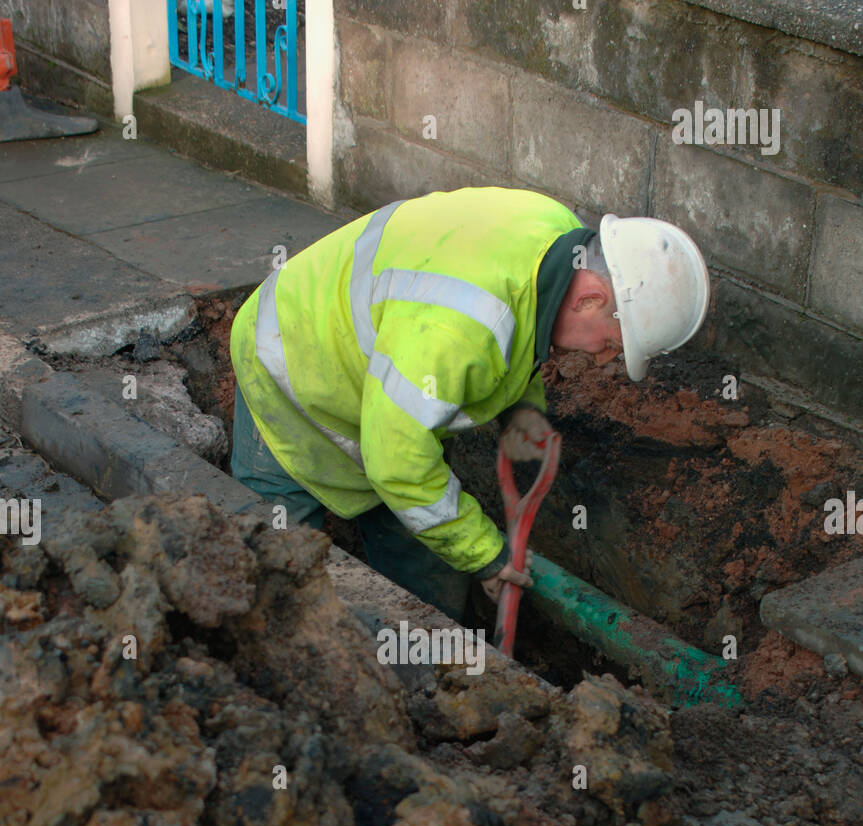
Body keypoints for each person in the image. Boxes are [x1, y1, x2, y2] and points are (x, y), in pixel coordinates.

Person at [229, 186, 709, 622]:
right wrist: (487, 556)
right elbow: (398, 462)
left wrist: (525, 415)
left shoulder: (558, 234)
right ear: (590, 299)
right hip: (291, 364)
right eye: (614, 341)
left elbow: (521, 327)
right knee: (278, 587)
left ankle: (422, 665)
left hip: (390, 387)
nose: (606, 358)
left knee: (425, 597)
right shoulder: (460, 331)